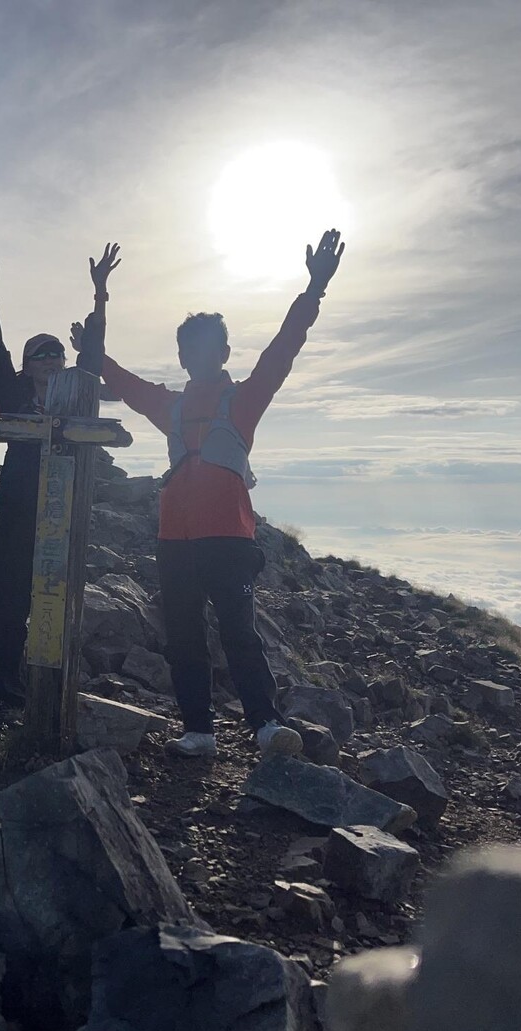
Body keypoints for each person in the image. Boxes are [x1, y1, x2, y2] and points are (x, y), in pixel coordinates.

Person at [97, 229, 345, 760]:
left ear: (223, 353)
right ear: (183, 357)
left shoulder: (244, 400)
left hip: (229, 535)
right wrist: (99, 300)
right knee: (184, 635)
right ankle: (199, 731)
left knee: (239, 633)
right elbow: (118, 378)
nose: (196, 357)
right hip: (174, 536)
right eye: (189, 349)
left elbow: (282, 351)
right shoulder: (171, 406)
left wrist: (313, 290)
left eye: (206, 348)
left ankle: (265, 724)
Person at [0, 243, 122, 714]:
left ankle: (51, 680)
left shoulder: (78, 390)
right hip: (18, 502)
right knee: (11, 592)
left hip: (67, 501)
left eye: (56, 353)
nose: (52, 360)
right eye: (41, 354)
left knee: (58, 590)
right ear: (27, 364)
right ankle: (6, 680)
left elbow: (93, 356)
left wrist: (100, 295)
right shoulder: (13, 393)